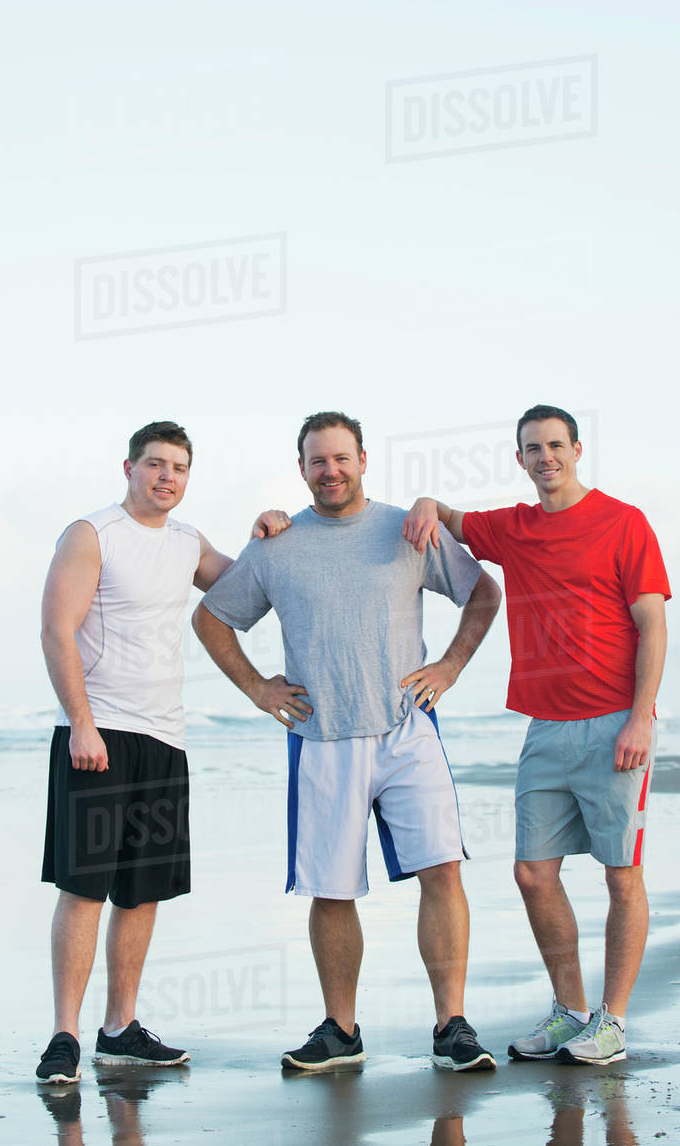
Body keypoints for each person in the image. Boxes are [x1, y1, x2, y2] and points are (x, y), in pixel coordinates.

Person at [192, 410, 502, 1073]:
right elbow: (212, 617)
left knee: (442, 871)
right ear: (301, 468)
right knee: (330, 890)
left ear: (363, 459)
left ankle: (452, 1024)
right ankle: (341, 1029)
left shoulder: (406, 530)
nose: (330, 470)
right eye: (316, 461)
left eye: (341, 458)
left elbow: (483, 593)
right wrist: (257, 688)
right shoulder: (276, 545)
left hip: (406, 728)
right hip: (322, 736)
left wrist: (448, 667)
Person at [402, 405, 670, 1065]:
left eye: (556, 444)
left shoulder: (624, 523)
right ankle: (569, 1010)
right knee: (532, 874)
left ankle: (612, 1021)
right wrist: (424, 501)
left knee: (621, 876)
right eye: (532, 448)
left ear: (576, 449)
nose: (546, 456)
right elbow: (449, 518)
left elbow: (653, 625)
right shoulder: (513, 530)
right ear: (519, 459)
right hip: (545, 728)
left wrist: (641, 715)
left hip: (615, 726)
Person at [36, 420, 283, 1084]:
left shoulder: (185, 542)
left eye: (178, 467)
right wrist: (82, 724)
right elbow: (57, 632)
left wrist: (271, 533)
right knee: (84, 887)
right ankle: (64, 1034)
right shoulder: (93, 535)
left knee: (140, 894)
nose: (166, 476)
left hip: (165, 737)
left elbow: (248, 596)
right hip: (99, 736)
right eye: (155, 464)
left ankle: (120, 1028)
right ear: (129, 468)